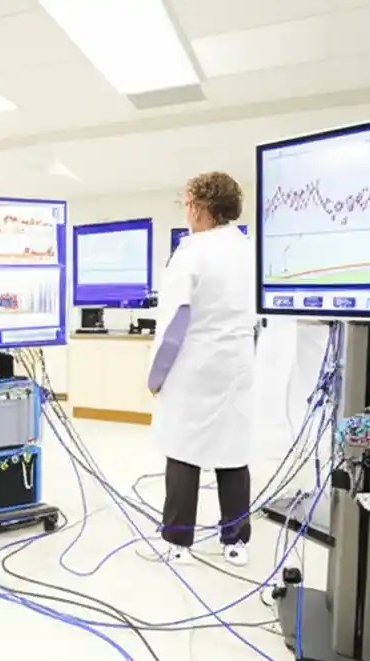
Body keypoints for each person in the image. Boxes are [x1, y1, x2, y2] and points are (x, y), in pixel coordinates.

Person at [143, 171, 256, 568]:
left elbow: (174, 322)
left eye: (188, 203)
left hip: (194, 365)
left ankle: (178, 543)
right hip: (238, 364)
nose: (187, 211)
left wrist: (155, 376)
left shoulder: (190, 253)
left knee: (183, 450)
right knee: (232, 450)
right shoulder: (248, 250)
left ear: (202, 208)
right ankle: (236, 541)